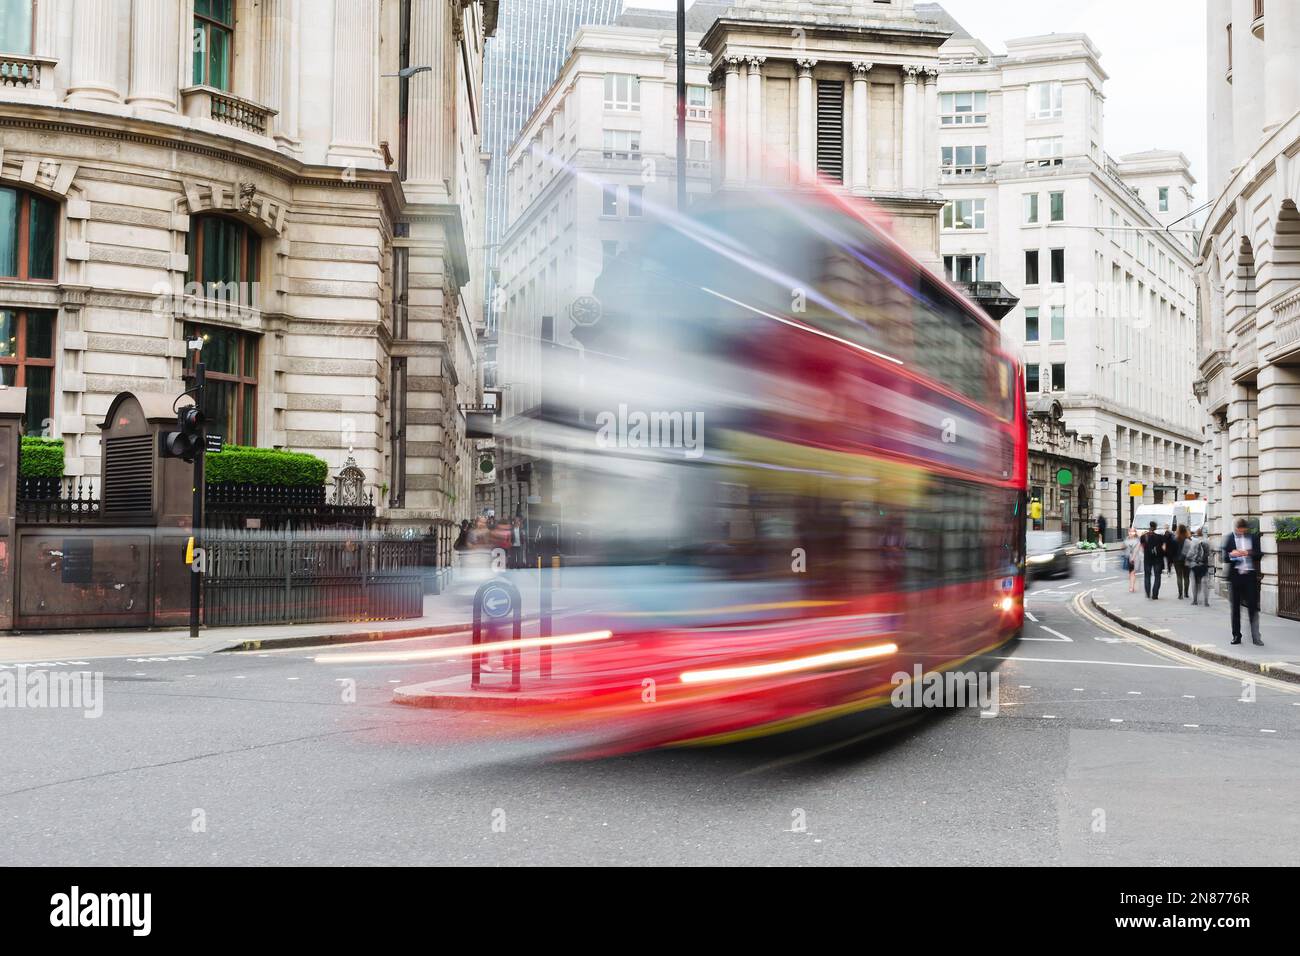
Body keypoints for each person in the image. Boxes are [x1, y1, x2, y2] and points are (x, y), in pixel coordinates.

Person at [1222, 518, 1264, 645]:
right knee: (1235, 608)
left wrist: (1247, 552)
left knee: (1253, 607)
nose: (1240, 533)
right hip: (1235, 577)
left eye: (1243, 531)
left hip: (1249, 577)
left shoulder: (1252, 537)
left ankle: (1256, 636)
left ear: (1246, 529)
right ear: (1236, 529)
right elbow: (1224, 557)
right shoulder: (1229, 538)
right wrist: (1232, 555)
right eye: (1239, 531)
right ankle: (1236, 635)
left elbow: (1259, 554)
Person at [1140, 520, 1165, 599]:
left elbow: (1142, 546)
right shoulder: (1160, 537)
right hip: (1157, 559)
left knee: (1147, 576)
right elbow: (1163, 548)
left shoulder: (1144, 536)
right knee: (1157, 576)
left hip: (1147, 559)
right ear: (1156, 527)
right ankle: (1155, 594)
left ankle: (1148, 593)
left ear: (1149, 526)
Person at [1187, 527, 1211, 607]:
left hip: (1194, 565)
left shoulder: (1193, 542)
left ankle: (1195, 600)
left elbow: (1190, 553)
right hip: (1204, 565)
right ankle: (1206, 601)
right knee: (1205, 582)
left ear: (1196, 534)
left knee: (1194, 583)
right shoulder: (1207, 541)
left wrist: (1188, 560)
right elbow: (1210, 552)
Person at [1172, 524, 1191, 599]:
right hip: (1186, 559)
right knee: (1186, 577)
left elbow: (1172, 551)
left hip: (1177, 560)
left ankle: (1180, 594)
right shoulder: (1188, 539)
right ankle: (1186, 593)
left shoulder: (1175, 539)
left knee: (1179, 576)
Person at [1125, 526, 1143, 593]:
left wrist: (1132, 558)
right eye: (1129, 531)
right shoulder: (1127, 539)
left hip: (1135, 558)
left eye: (1132, 531)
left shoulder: (1137, 540)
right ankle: (1132, 586)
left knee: (1132, 573)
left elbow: (1136, 550)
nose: (1130, 533)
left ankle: (1131, 587)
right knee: (1130, 573)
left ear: (1135, 533)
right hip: (1129, 557)